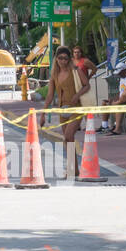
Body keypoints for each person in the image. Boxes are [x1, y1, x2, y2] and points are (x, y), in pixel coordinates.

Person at [42, 45, 89, 177]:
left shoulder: (75, 70)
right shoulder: (54, 75)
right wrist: (43, 114)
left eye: (65, 59)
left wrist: (77, 95)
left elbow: (87, 85)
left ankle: (72, 168)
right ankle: (73, 169)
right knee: (68, 139)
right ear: (56, 59)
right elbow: (50, 95)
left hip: (76, 107)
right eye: (60, 58)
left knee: (69, 135)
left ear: (69, 59)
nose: (63, 61)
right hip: (62, 109)